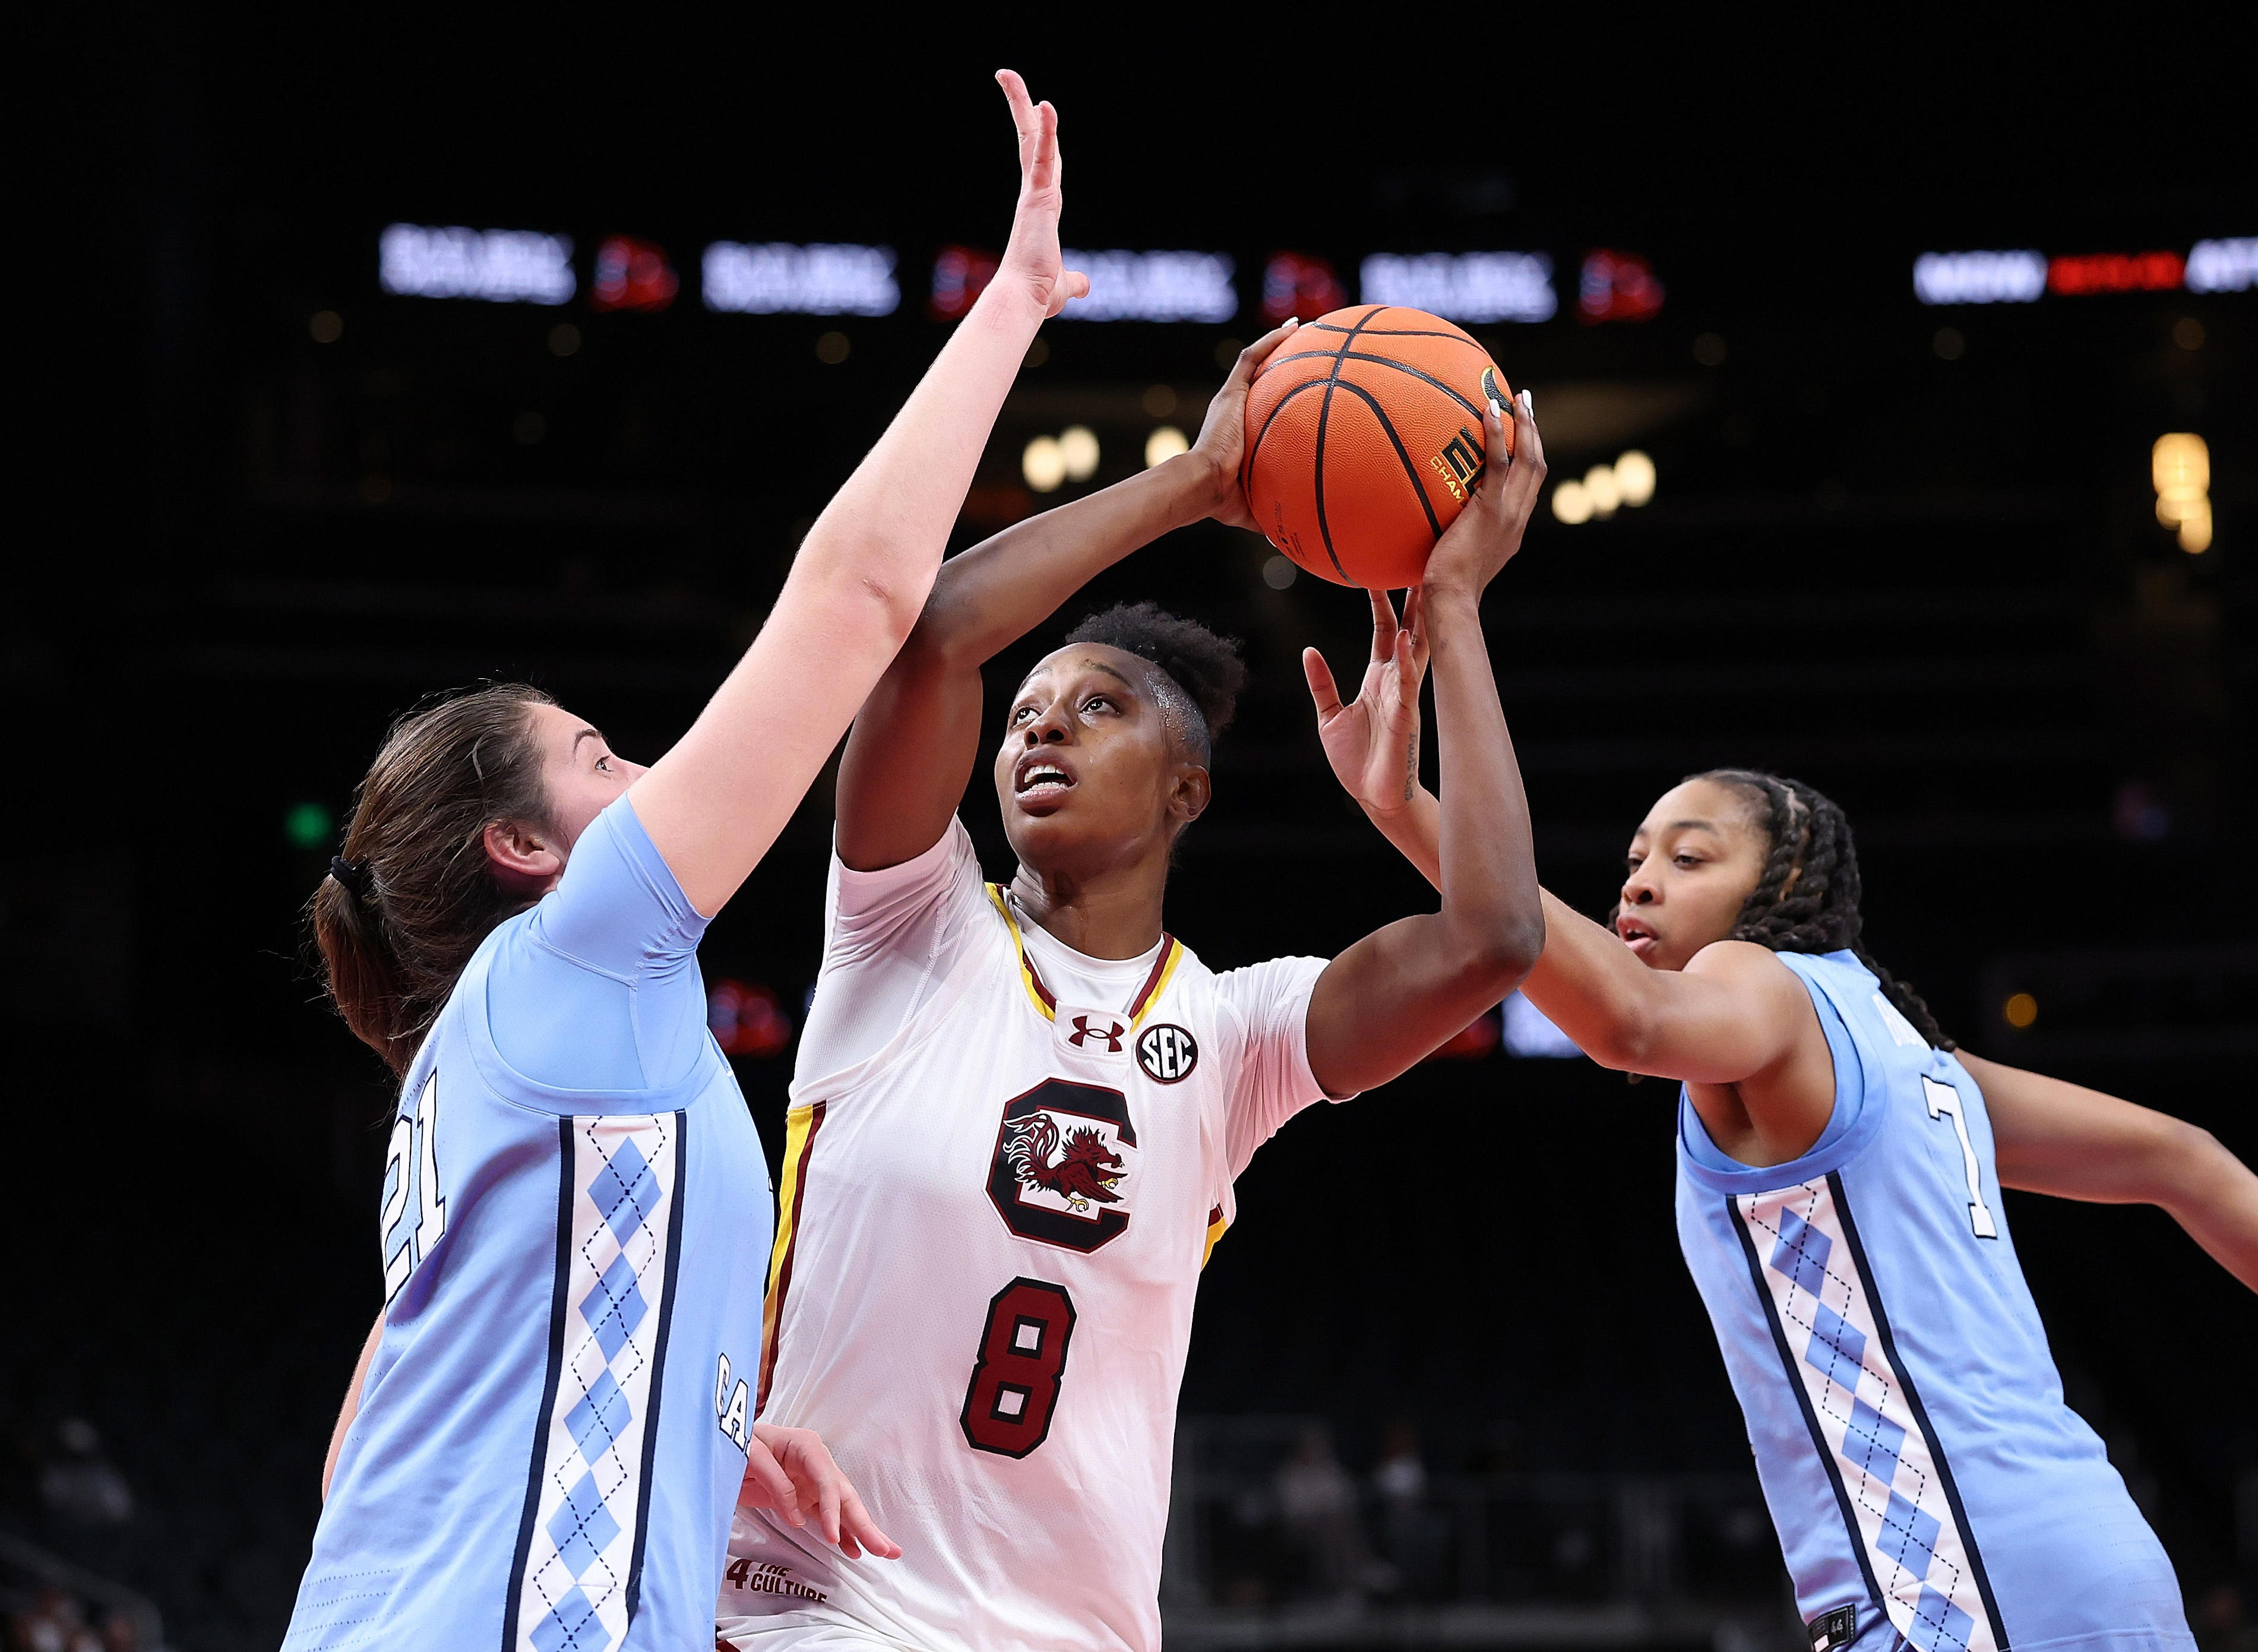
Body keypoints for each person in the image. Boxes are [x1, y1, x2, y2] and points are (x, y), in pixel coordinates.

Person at [280, 70, 1090, 1652]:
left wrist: (692, 1454)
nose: (645, 771)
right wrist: (1014, 304)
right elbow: (856, 600)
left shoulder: (477, 1078)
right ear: (523, 847)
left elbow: (363, 1450)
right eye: (597, 757)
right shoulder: (580, 947)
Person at [714, 362, 1549, 1650]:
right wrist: (1201, 481)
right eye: (1028, 715)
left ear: (1184, 791)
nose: (1040, 730)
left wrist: (1453, 606)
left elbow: (1493, 935)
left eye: (1096, 709)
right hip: (814, 1608)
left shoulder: (1234, 1037)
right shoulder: (904, 927)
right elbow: (937, 632)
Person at [1329, 756, 2258, 1651]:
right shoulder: (1902, 1042)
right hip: (2083, 1552)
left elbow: (1621, 1015)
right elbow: (2180, 1159)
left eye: (1687, 857)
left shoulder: (1762, 984)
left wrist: (1405, 802)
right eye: (1633, 857)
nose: (1637, 879)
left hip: (1954, 1576)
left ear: (1777, 888)